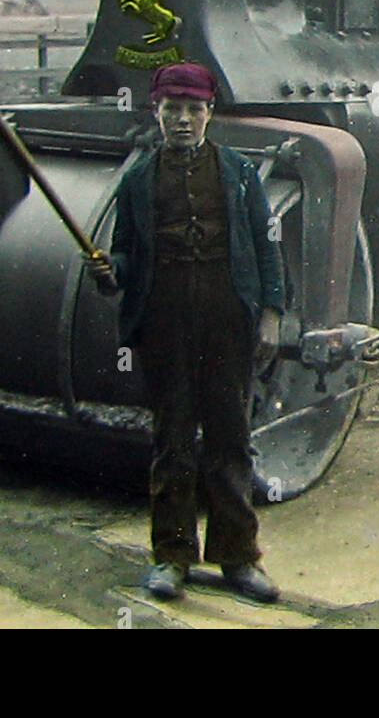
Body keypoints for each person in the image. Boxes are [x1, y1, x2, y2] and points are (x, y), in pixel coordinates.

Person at [85, 61, 285, 604]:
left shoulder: (240, 173)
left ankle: (239, 558)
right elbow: (125, 252)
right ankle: (171, 557)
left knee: (230, 441)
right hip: (165, 322)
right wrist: (112, 272)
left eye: (194, 109)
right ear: (157, 111)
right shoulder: (137, 179)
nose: (183, 119)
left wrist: (270, 313)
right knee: (171, 443)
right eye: (172, 109)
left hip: (227, 322)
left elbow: (267, 246)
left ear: (209, 113)